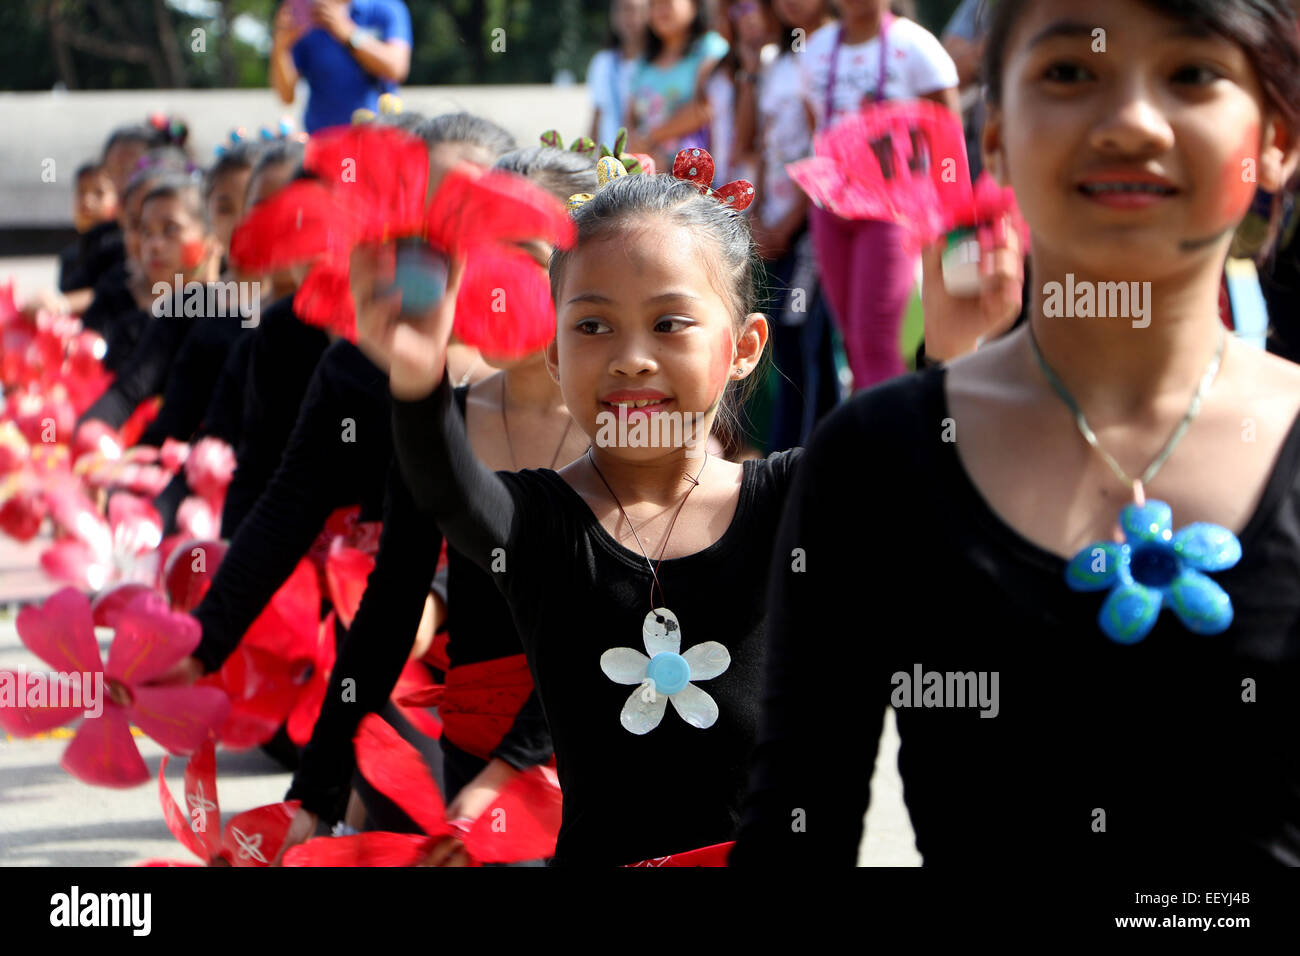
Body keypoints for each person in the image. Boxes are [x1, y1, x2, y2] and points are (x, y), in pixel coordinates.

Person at [731, 0, 1300, 867]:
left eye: (1192, 74)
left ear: (1278, 139)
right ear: (991, 138)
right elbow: (793, 831)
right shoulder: (874, 460)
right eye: (1070, 73)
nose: (1131, 122)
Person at [356, 162, 798, 865]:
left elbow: (925, 464)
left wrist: (961, 348)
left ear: (743, 347)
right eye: (592, 325)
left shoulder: (790, 504)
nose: (630, 359)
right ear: (555, 354)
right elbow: (449, 489)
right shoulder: (541, 524)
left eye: (669, 323)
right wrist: (417, 381)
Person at [281, 146, 598, 863]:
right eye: (481, 254)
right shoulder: (440, 422)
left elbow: (606, 620)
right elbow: (390, 604)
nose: (499, 280)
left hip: (594, 741)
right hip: (473, 751)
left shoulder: (629, 430)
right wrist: (319, 787)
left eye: (527, 254)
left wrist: (513, 768)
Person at [800, 0, 959, 390]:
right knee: (853, 342)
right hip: (832, 207)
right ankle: (865, 442)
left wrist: (949, 219)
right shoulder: (815, 49)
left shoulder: (917, 46)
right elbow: (816, 126)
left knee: (878, 343)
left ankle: (886, 446)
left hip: (893, 208)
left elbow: (947, 137)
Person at [270, 0, 412, 134]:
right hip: (322, 142)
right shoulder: (307, 18)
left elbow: (396, 68)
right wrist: (281, 45)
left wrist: (347, 32)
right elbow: (286, 95)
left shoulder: (386, 8)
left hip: (376, 138)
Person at [625, 0, 730, 172]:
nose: (660, 10)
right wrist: (640, 148)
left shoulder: (711, 49)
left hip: (695, 177)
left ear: (695, 5)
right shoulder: (643, 62)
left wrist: (650, 138)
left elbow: (704, 107)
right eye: (654, 5)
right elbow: (629, 120)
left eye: (666, 2)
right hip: (649, 176)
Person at [588, 0, 650, 149]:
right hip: (609, 164)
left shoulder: (659, 64)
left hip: (646, 164)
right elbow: (597, 117)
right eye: (622, 10)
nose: (629, 18)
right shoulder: (602, 62)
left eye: (636, 10)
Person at [57, 164, 118, 295]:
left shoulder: (119, 250)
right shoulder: (70, 255)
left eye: (99, 193)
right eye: (81, 192)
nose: (87, 201)